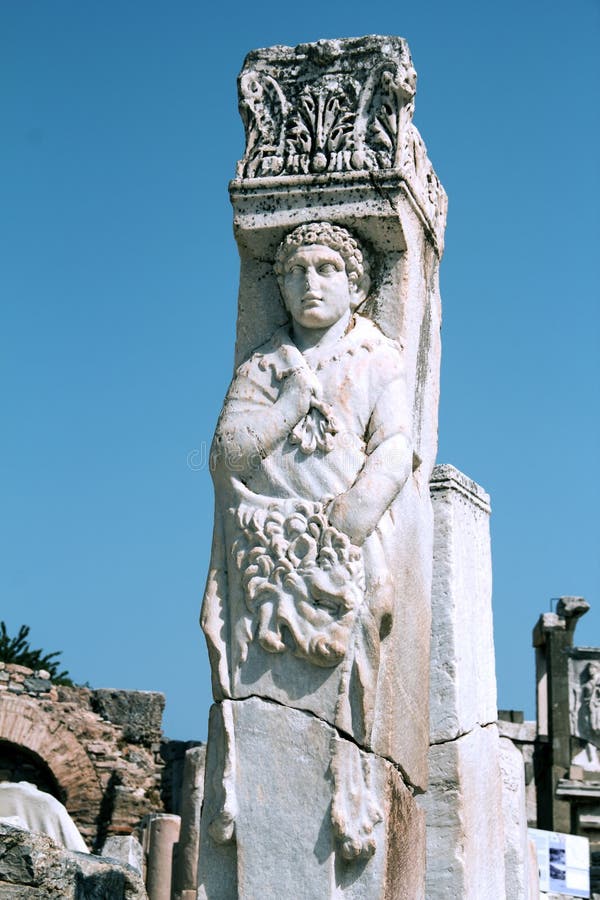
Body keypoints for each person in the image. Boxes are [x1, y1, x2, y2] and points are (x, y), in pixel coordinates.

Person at [202, 221, 412, 738]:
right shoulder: (264, 365)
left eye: (327, 269)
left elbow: (395, 448)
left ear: (357, 287)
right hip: (262, 547)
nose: (310, 283)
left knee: (351, 667)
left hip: (340, 545)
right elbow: (227, 455)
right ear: (280, 286)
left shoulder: (378, 359)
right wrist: (291, 405)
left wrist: (348, 521)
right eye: (295, 272)